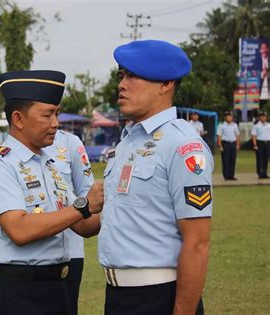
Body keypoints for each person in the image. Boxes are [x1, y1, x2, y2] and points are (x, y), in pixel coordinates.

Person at [74, 40, 213, 314]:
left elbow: (197, 242)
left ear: (166, 84)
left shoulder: (182, 145)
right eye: (121, 75)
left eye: (133, 75)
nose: (121, 85)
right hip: (118, 295)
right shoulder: (129, 141)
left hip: (158, 296)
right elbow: (113, 216)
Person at [0, 70, 104, 315]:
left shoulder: (49, 164)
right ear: (18, 119)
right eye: (47, 114)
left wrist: (114, 198)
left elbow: (84, 227)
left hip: (57, 286)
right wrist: (83, 207)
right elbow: (19, 230)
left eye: (56, 113)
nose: (56, 123)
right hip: (20, 292)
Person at [43, 129, 94, 315]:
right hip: (27, 254)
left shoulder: (70, 143)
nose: (53, 121)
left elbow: (86, 195)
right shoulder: (6, 154)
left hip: (69, 249)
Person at [217, 111, 240, 180]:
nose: (230, 118)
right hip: (225, 143)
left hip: (233, 143)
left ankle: (231, 175)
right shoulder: (222, 125)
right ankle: (226, 176)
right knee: (225, 160)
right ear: (225, 117)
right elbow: (219, 136)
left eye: (231, 116)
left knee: (233, 160)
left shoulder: (235, 125)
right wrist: (220, 145)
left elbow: (237, 135)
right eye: (228, 116)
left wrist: (238, 144)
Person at [251, 111, 270, 179]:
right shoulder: (256, 126)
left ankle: (265, 173)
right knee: (259, 159)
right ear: (259, 117)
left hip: (267, 143)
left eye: (264, 116)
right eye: (262, 116)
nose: (263, 118)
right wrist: (255, 144)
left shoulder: (268, 125)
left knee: (266, 159)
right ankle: (260, 173)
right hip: (260, 143)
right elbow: (254, 136)